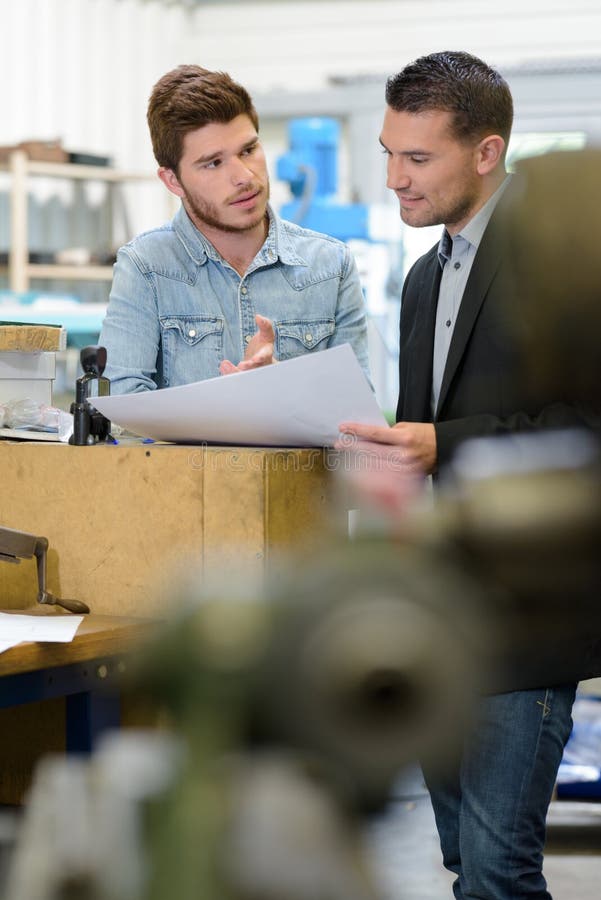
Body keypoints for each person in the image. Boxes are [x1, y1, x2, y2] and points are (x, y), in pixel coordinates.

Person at [337, 51, 597, 900]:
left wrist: (440, 443)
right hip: (439, 617)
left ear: (486, 153)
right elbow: (423, 437)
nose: (393, 181)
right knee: (463, 865)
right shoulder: (420, 280)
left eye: (417, 160)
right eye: (387, 153)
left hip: (529, 623)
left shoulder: (563, 259)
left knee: (495, 872)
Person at [100, 65, 370, 393]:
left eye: (248, 150)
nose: (244, 177)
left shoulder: (332, 266)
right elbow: (122, 402)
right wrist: (228, 412)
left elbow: (355, 413)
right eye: (214, 163)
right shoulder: (146, 267)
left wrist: (280, 384)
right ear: (173, 181)